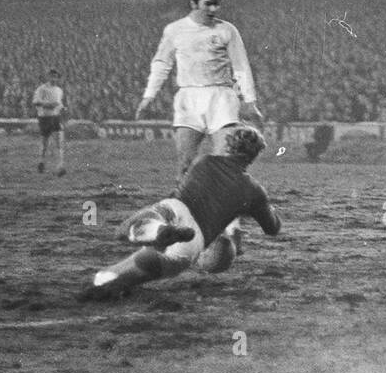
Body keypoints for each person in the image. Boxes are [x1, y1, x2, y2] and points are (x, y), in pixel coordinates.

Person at [78, 126, 281, 301]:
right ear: (254, 155)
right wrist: (265, 208)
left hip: (175, 208)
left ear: (229, 145)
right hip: (194, 240)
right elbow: (272, 229)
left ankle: (156, 230)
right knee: (126, 277)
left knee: (119, 240)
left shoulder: (204, 162)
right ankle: (121, 279)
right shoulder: (254, 190)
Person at [135, 0, 264, 251]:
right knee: (184, 164)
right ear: (194, 3)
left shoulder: (227, 30)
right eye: (208, 4)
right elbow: (161, 63)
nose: (214, 9)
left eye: (217, 4)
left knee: (227, 167)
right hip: (189, 99)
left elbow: (241, 66)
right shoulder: (175, 30)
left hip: (221, 97)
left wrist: (250, 101)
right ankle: (181, 227)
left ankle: (232, 231)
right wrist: (149, 95)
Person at [32, 69, 66, 176]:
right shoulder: (41, 89)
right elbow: (35, 102)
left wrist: (62, 107)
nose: (54, 79)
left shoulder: (59, 90)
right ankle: (41, 161)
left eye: (56, 77)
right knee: (45, 142)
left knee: (59, 141)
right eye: (52, 76)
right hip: (45, 117)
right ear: (48, 77)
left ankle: (60, 167)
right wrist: (48, 104)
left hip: (56, 116)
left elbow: (59, 103)